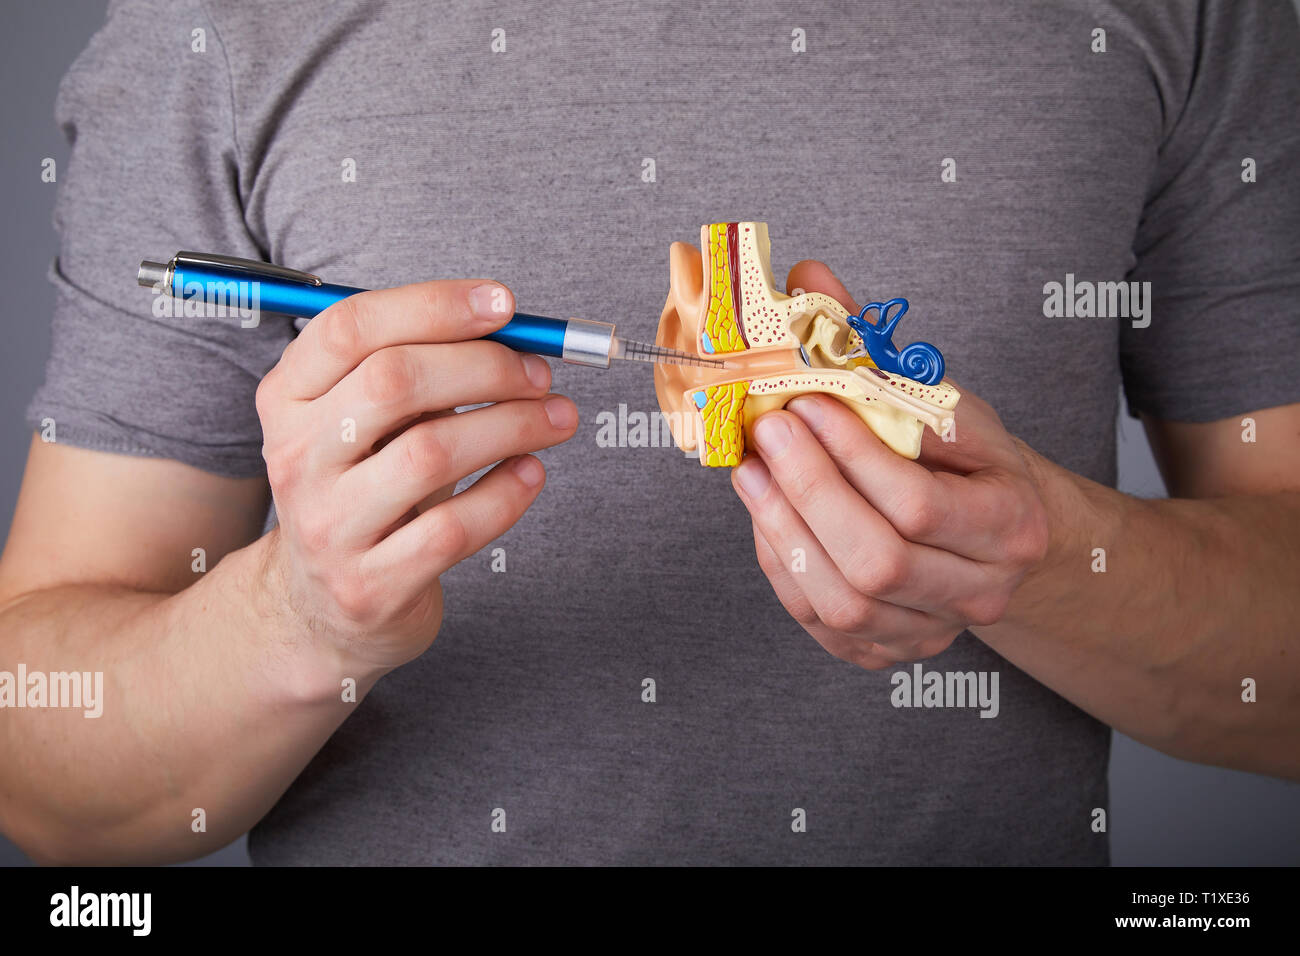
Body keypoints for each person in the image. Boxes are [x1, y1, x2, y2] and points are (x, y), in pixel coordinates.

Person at [1, 0, 1297, 865]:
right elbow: (39, 767)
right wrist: (297, 618)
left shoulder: (1183, 17)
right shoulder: (218, 31)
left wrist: (1040, 559)